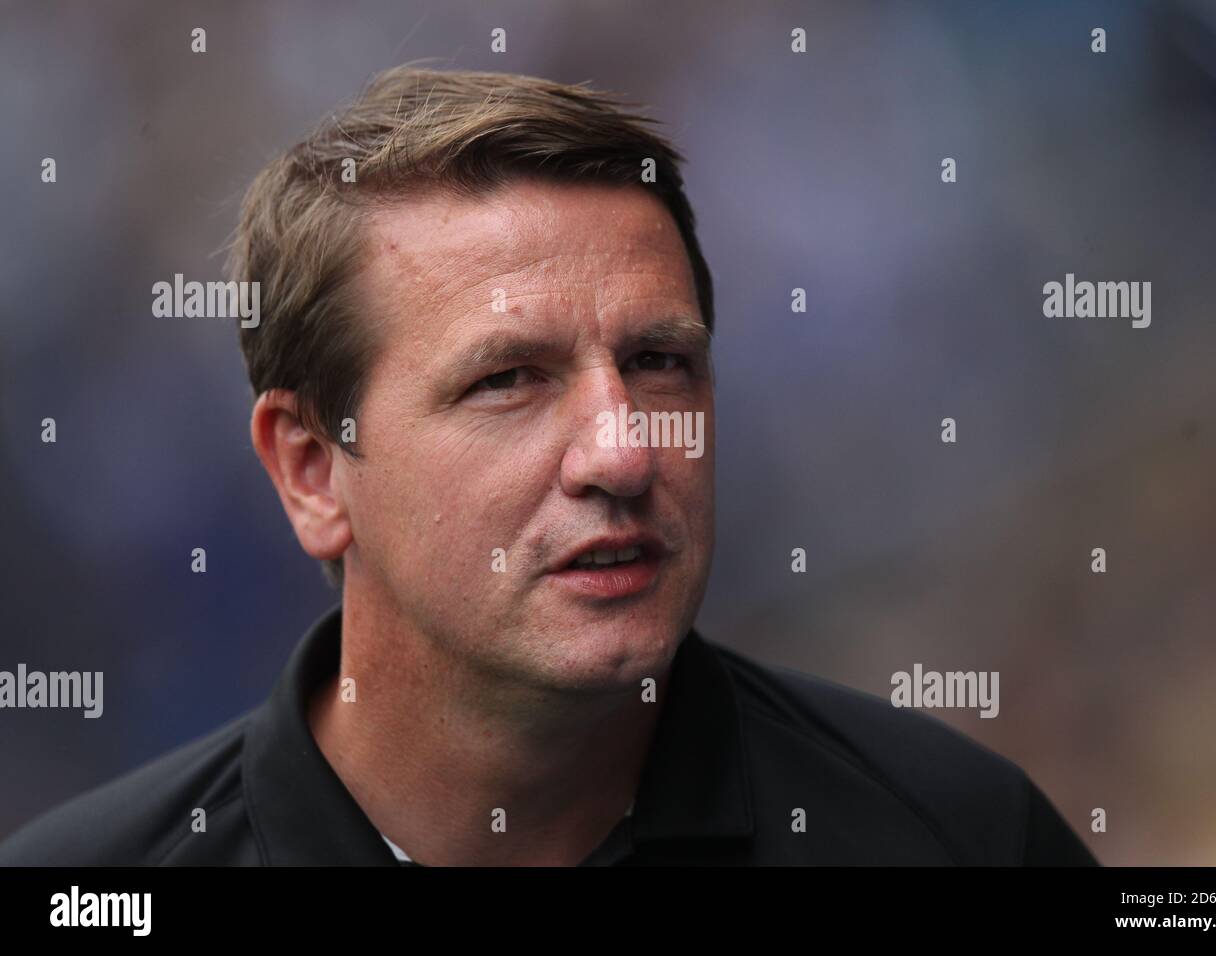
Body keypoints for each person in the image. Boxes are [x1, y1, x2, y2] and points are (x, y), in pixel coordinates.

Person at [0, 66, 1097, 866]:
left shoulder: (956, 835)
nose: (623, 450)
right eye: (507, 381)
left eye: (660, 363)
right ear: (311, 469)